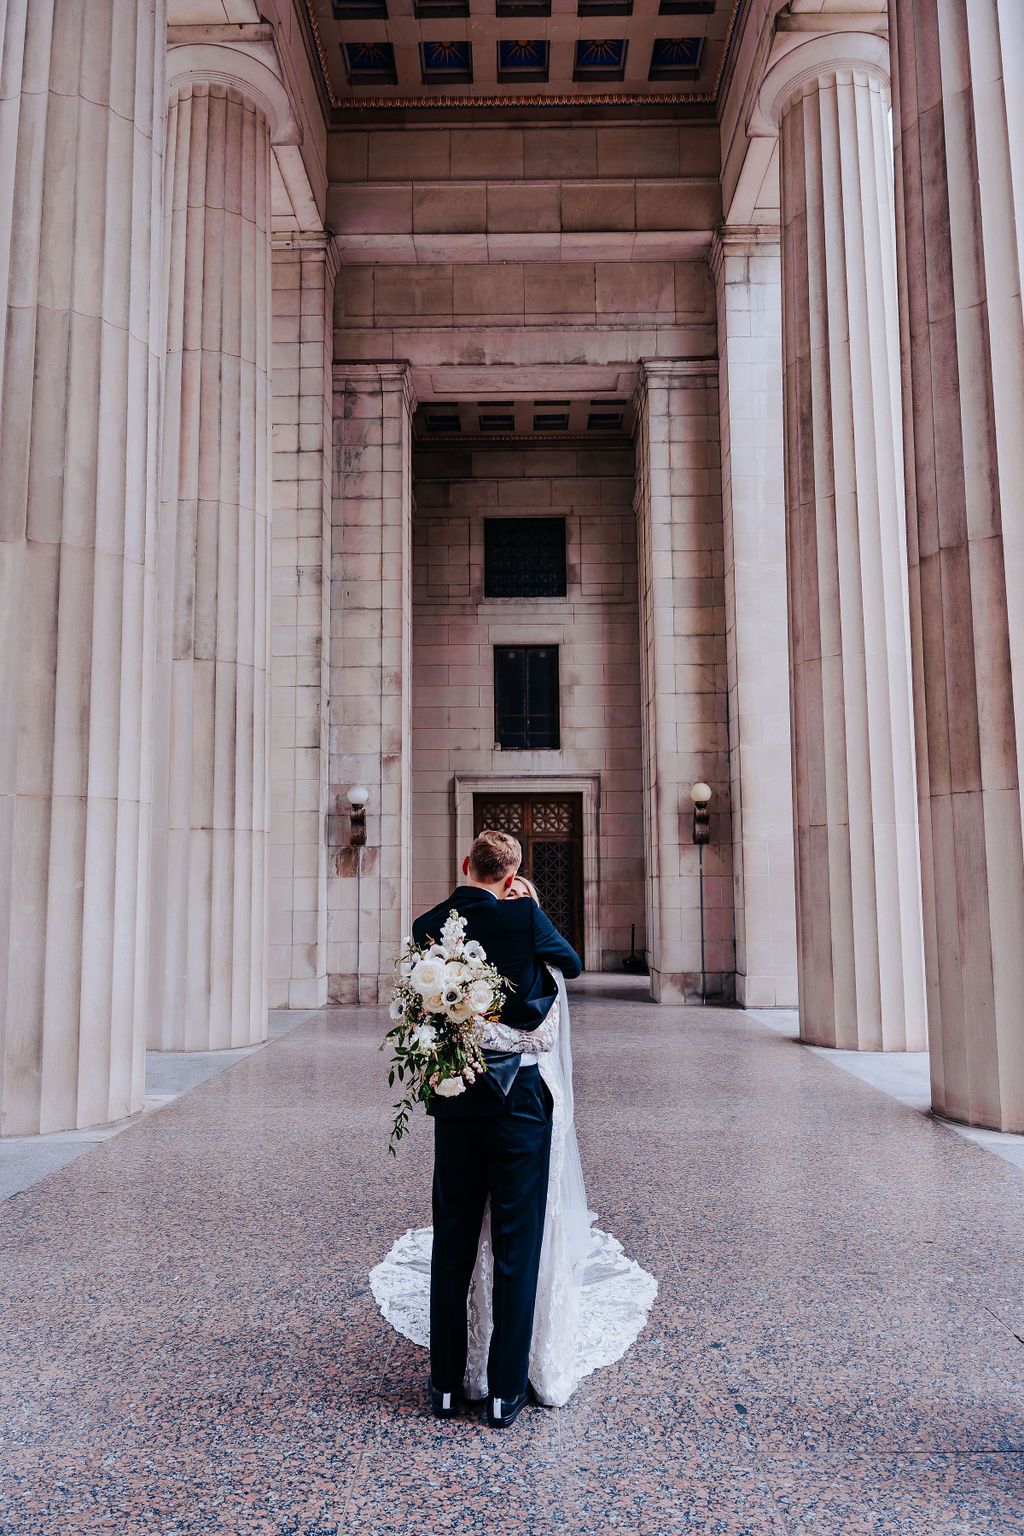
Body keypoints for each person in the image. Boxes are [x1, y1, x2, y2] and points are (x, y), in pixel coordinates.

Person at [411, 829, 581, 1430]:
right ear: (512, 875)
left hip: (457, 1098)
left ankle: (446, 1386)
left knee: (452, 1238)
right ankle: (506, 1389)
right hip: (519, 1105)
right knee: (515, 1242)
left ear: (464, 864)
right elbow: (572, 965)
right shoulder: (524, 917)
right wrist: (527, 906)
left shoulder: (429, 924)